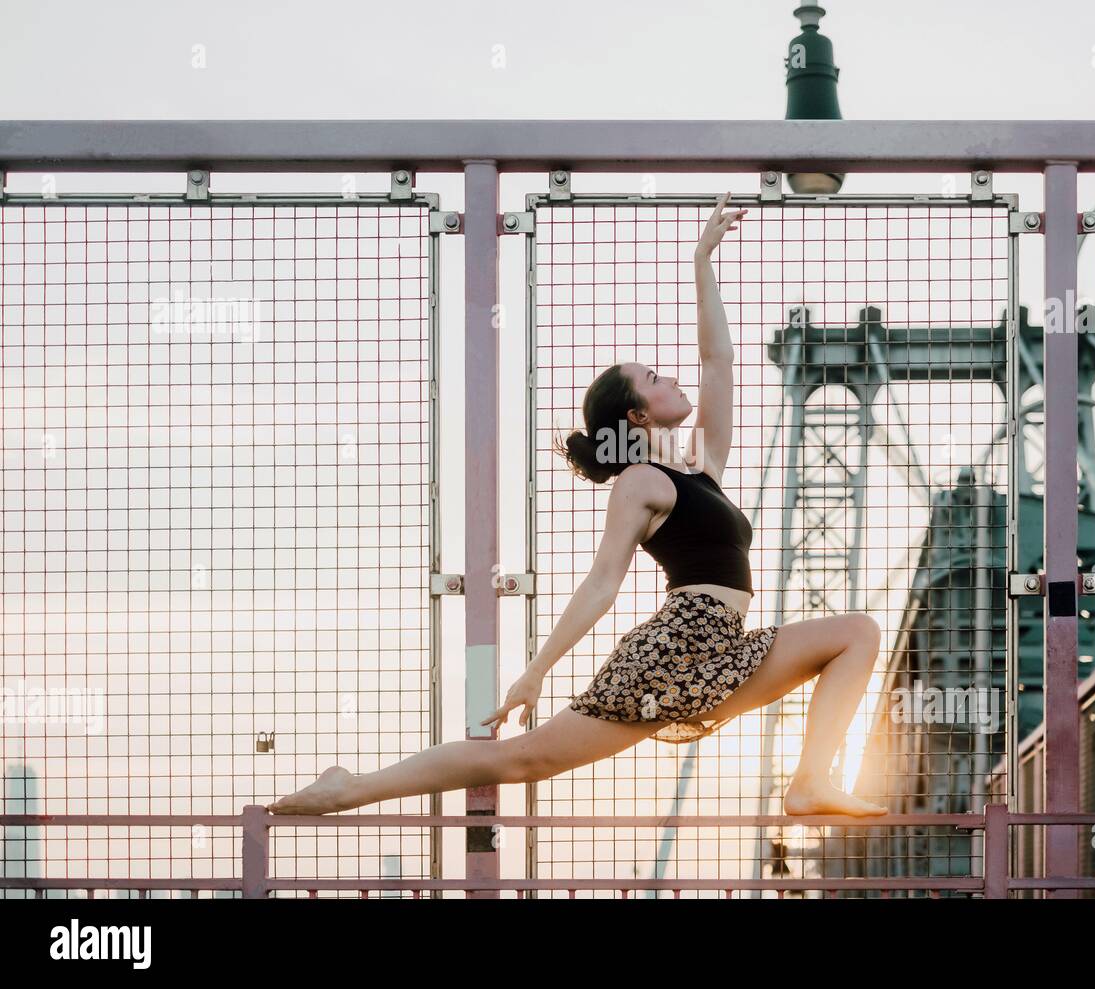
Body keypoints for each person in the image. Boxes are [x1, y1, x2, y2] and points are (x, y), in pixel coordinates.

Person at [267, 193, 885, 817]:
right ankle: (351, 788)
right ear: (637, 416)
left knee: (856, 633)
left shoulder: (701, 468)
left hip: (725, 645)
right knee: (521, 760)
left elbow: (716, 362)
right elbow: (601, 583)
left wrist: (702, 261)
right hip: (677, 650)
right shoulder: (641, 481)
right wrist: (536, 671)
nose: (672, 379)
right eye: (653, 379)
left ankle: (810, 781)